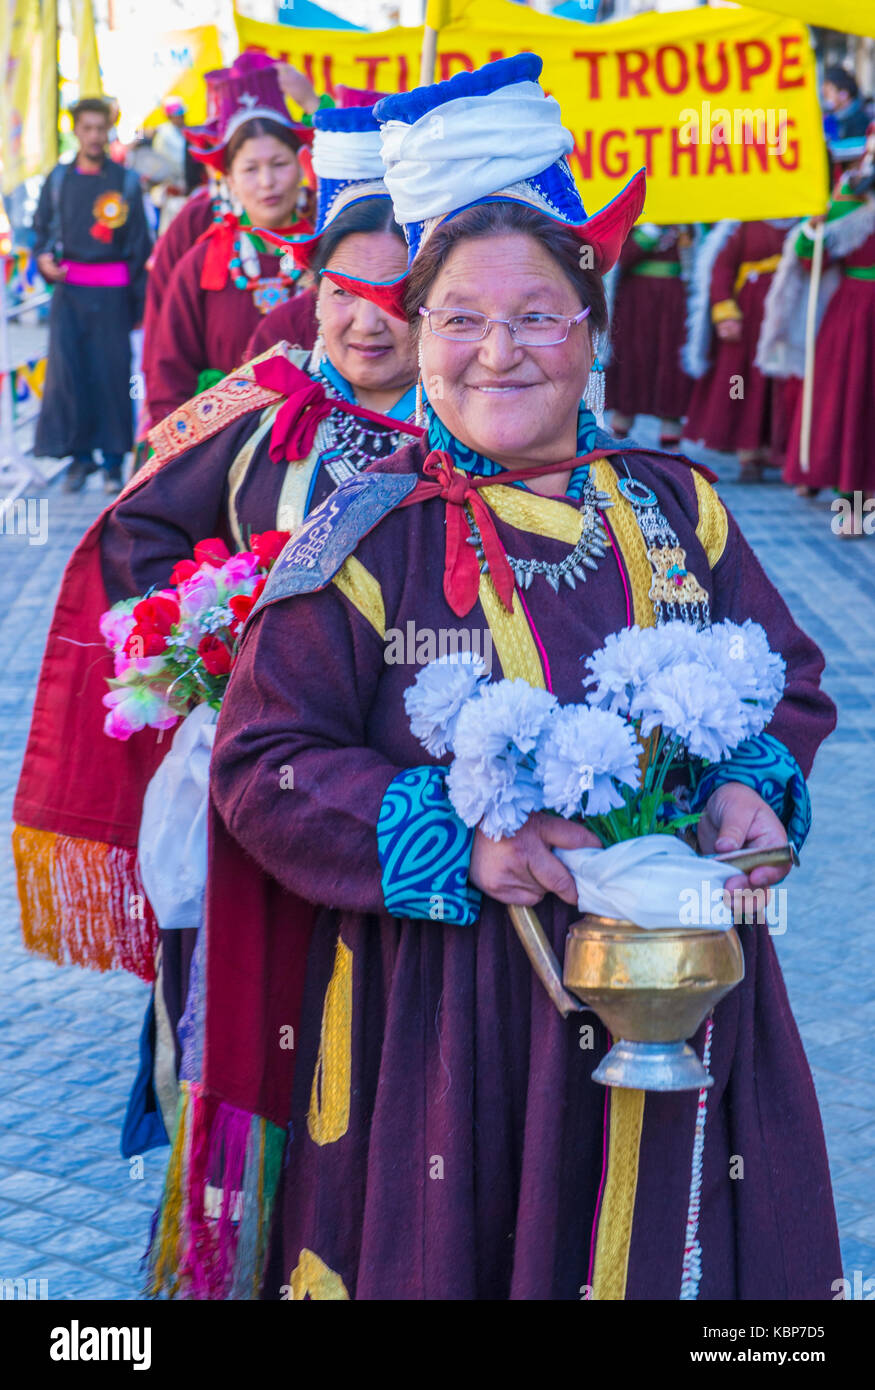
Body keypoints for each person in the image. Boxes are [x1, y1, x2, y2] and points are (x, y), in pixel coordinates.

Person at [147, 57, 839, 1302]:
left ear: (589, 328)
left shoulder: (671, 508)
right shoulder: (367, 537)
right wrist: (464, 842)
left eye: (536, 316)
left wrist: (753, 781)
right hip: (453, 1027)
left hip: (687, 1000)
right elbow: (266, 762)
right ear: (416, 334)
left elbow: (785, 677)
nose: (497, 352)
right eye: (460, 318)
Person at [12, 98, 421, 1154]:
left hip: (399, 809)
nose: (368, 322)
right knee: (251, 1020)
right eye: (345, 292)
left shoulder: (473, 434)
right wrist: (196, 646)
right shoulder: (260, 405)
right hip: (254, 792)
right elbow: (134, 528)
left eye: (399, 297)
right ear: (314, 292)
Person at [144, 53, 316, 425]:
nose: (267, 182)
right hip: (221, 440)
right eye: (251, 169)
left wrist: (315, 104)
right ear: (231, 179)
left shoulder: (328, 248)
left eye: (280, 164)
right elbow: (169, 368)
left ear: (302, 164)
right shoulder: (202, 261)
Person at [32, 97, 152, 494]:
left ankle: (114, 462)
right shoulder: (59, 179)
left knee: (114, 377)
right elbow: (41, 230)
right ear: (76, 131)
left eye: (101, 128)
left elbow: (140, 245)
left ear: (109, 129)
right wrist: (44, 259)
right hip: (69, 295)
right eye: (87, 128)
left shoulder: (126, 181)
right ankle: (79, 459)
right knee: (71, 377)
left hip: (114, 297)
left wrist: (138, 303)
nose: (95, 136)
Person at [773, 123, 875, 531]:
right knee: (851, 397)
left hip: (855, 308)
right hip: (855, 313)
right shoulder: (845, 198)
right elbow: (811, 258)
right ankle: (852, 490)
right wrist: (813, 229)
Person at [683, 219, 796, 482]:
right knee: (744, 384)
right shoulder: (740, 225)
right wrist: (725, 313)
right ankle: (748, 453)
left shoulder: (806, 220)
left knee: (784, 384)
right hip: (748, 319)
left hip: (789, 315)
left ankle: (781, 452)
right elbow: (721, 269)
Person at [605, 222, 694, 449]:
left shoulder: (691, 221)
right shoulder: (629, 221)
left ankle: (671, 429)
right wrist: (649, 234)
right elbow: (619, 259)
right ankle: (621, 425)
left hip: (675, 300)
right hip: (636, 300)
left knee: (672, 359)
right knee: (633, 356)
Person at [821, 65, 870, 179]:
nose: (826, 98)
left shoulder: (860, 120)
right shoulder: (831, 119)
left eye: (829, 92)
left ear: (844, 94)